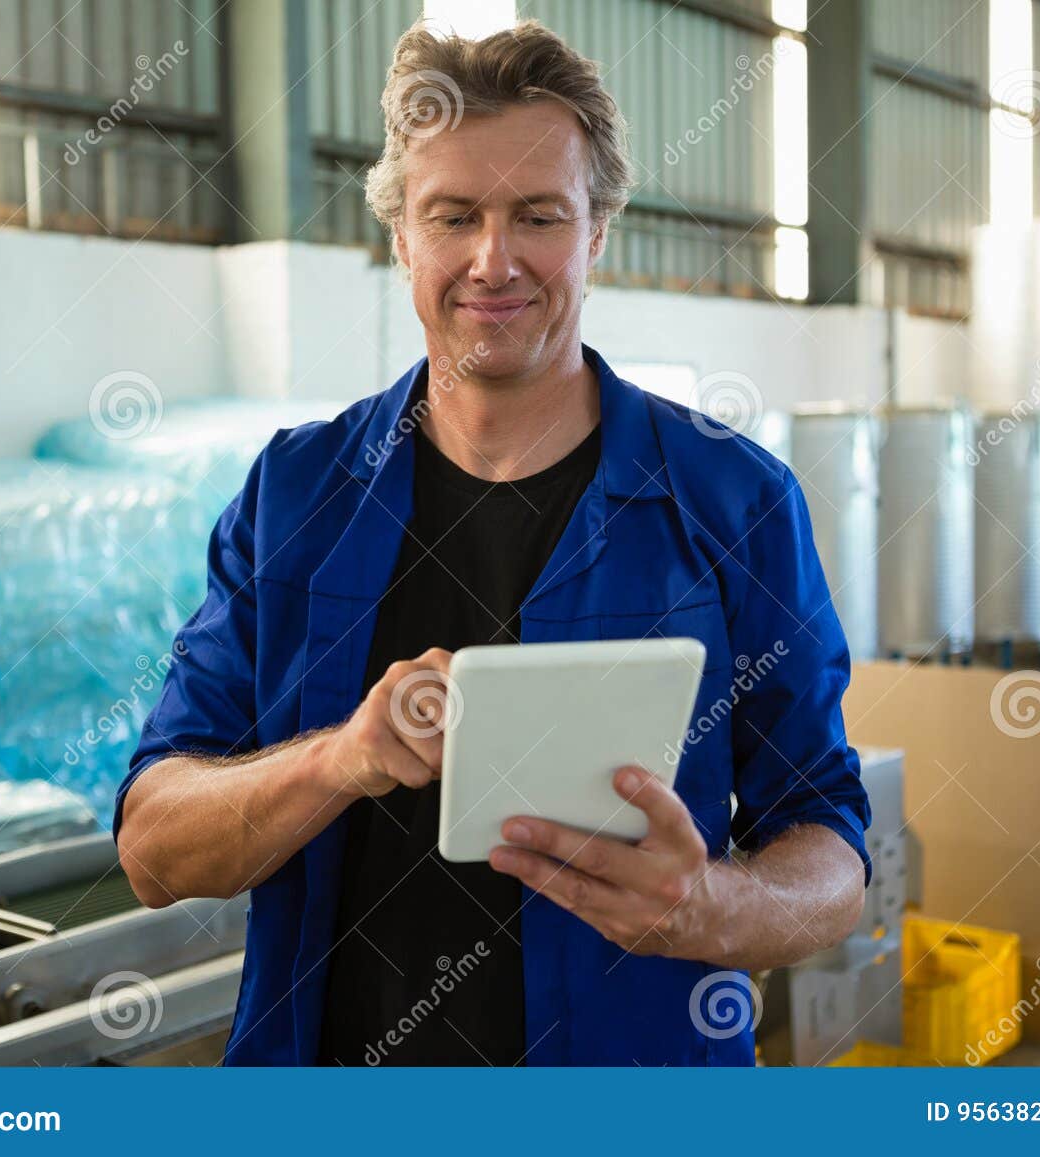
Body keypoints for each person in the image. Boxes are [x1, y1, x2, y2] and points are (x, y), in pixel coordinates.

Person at [113, 18, 871, 1067]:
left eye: (538, 215)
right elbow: (154, 846)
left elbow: (833, 849)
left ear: (596, 230)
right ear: (401, 238)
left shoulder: (731, 501)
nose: (493, 258)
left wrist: (707, 905)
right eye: (454, 214)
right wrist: (342, 757)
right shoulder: (296, 494)